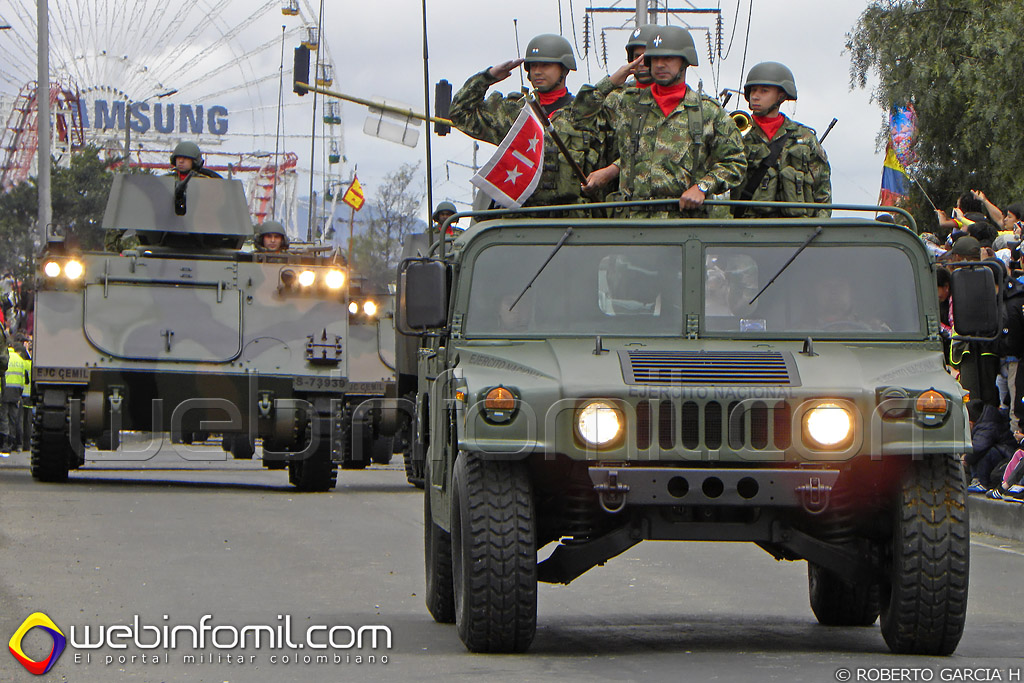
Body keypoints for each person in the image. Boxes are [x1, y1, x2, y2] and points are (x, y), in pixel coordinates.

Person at [576, 25, 746, 215]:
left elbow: (735, 162)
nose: (659, 64)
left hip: (683, 223)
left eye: (668, 58)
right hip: (633, 221)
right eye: (654, 58)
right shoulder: (628, 102)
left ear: (685, 61)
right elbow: (577, 116)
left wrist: (703, 187)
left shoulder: (707, 111)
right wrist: (613, 80)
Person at [449, 34, 608, 211]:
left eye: (545, 65)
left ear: (564, 69)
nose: (537, 71)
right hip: (520, 218)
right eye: (533, 66)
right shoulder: (514, 113)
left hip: (573, 218)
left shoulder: (586, 113)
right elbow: (459, 113)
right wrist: (488, 77)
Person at [730, 62, 831, 218]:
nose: (755, 96)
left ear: (781, 96)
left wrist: (819, 227)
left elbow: (822, 188)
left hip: (796, 229)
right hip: (749, 227)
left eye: (764, 91)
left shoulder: (803, 137)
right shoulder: (737, 133)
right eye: (753, 90)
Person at [0, 338, 25, 455]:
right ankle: (12, 440)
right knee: (13, 418)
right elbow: (23, 379)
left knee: (3, 416)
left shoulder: (3, 357)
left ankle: (5, 440)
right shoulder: (20, 360)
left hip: (5, 391)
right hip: (16, 392)